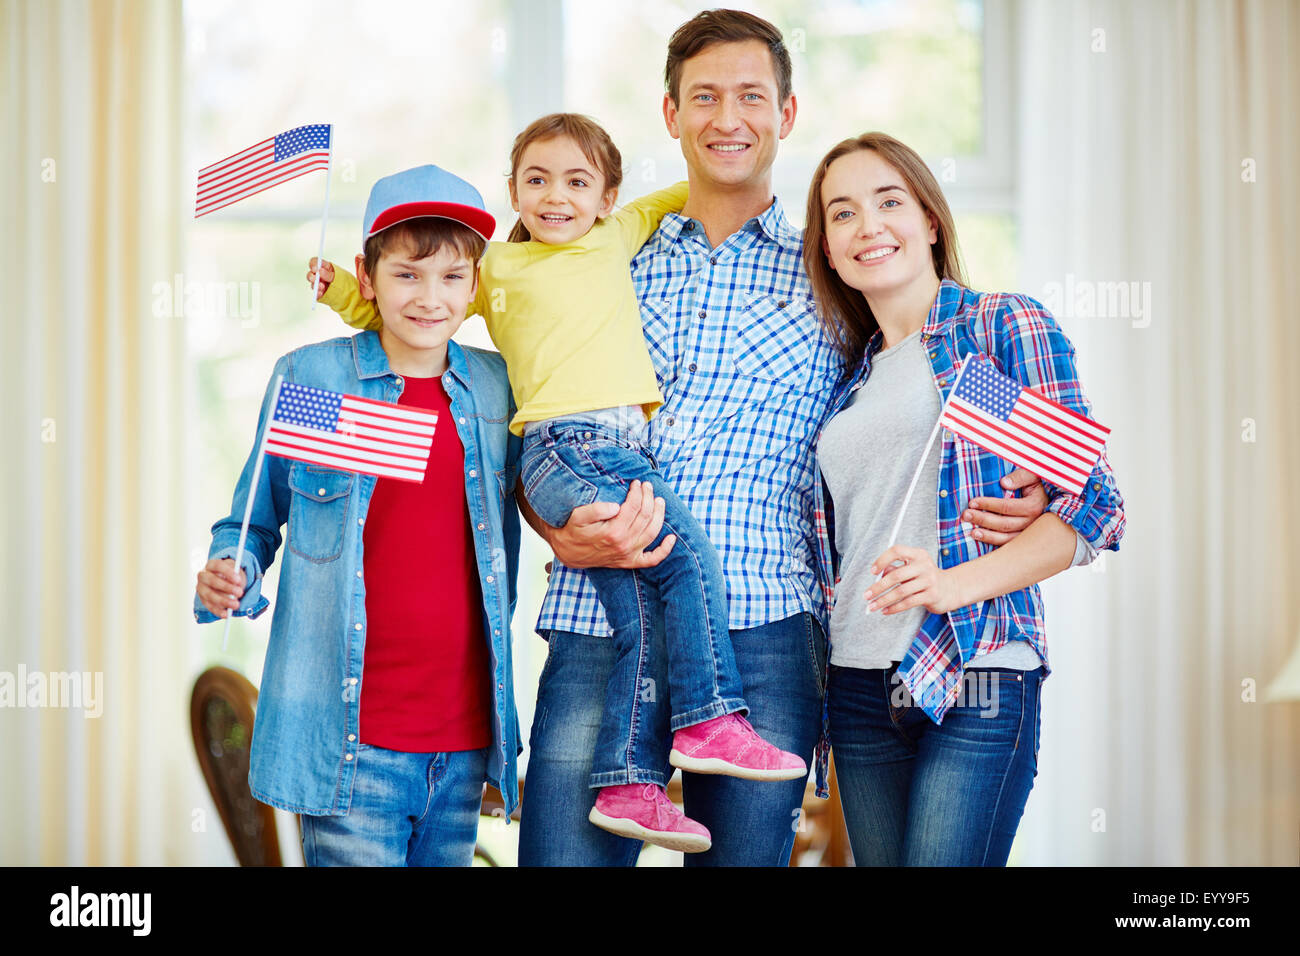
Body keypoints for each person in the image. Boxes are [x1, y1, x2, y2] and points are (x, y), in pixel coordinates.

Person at [514, 10, 1049, 866]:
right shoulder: (601, 258)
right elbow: (537, 420)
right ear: (671, 113)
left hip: (766, 630)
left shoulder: (833, 270)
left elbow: (912, 402)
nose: (729, 118)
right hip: (602, 616)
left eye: (751, 96)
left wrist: (1024, 492)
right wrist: (553, 528)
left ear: (786, 114)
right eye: (706, 97)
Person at [309, 114, 806, 854]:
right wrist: (342, 292)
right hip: (565, 446)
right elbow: (423, 303)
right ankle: (709, 720)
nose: (555, 196)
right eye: (536, 180)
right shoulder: (496, 270)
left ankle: (630, 783)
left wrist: (733, 151)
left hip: (613, 447)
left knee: (644, 609)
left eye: (577, 182)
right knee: (691, 559)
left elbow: (692, 189)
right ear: (513, 190)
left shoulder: (620, 232)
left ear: (608, 196)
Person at [805, 131, 1127, 865]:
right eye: (843, 213)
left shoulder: (996, 327)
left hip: (975, 667)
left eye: (890, 202)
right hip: (858, 685)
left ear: (930, 221)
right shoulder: (846, 383)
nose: (869, 226)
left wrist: (950, 585)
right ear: (827, 248)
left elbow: (1096, 507)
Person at [194, 164, 523, 866]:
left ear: (475, 286)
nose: (429, 297)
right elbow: (255, 518)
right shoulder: (315, 378)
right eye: (407, 274)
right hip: (351, 746)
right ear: (366, 278)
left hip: (463, 747)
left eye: (451, 278)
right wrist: (235, 566)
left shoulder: (497, 390)